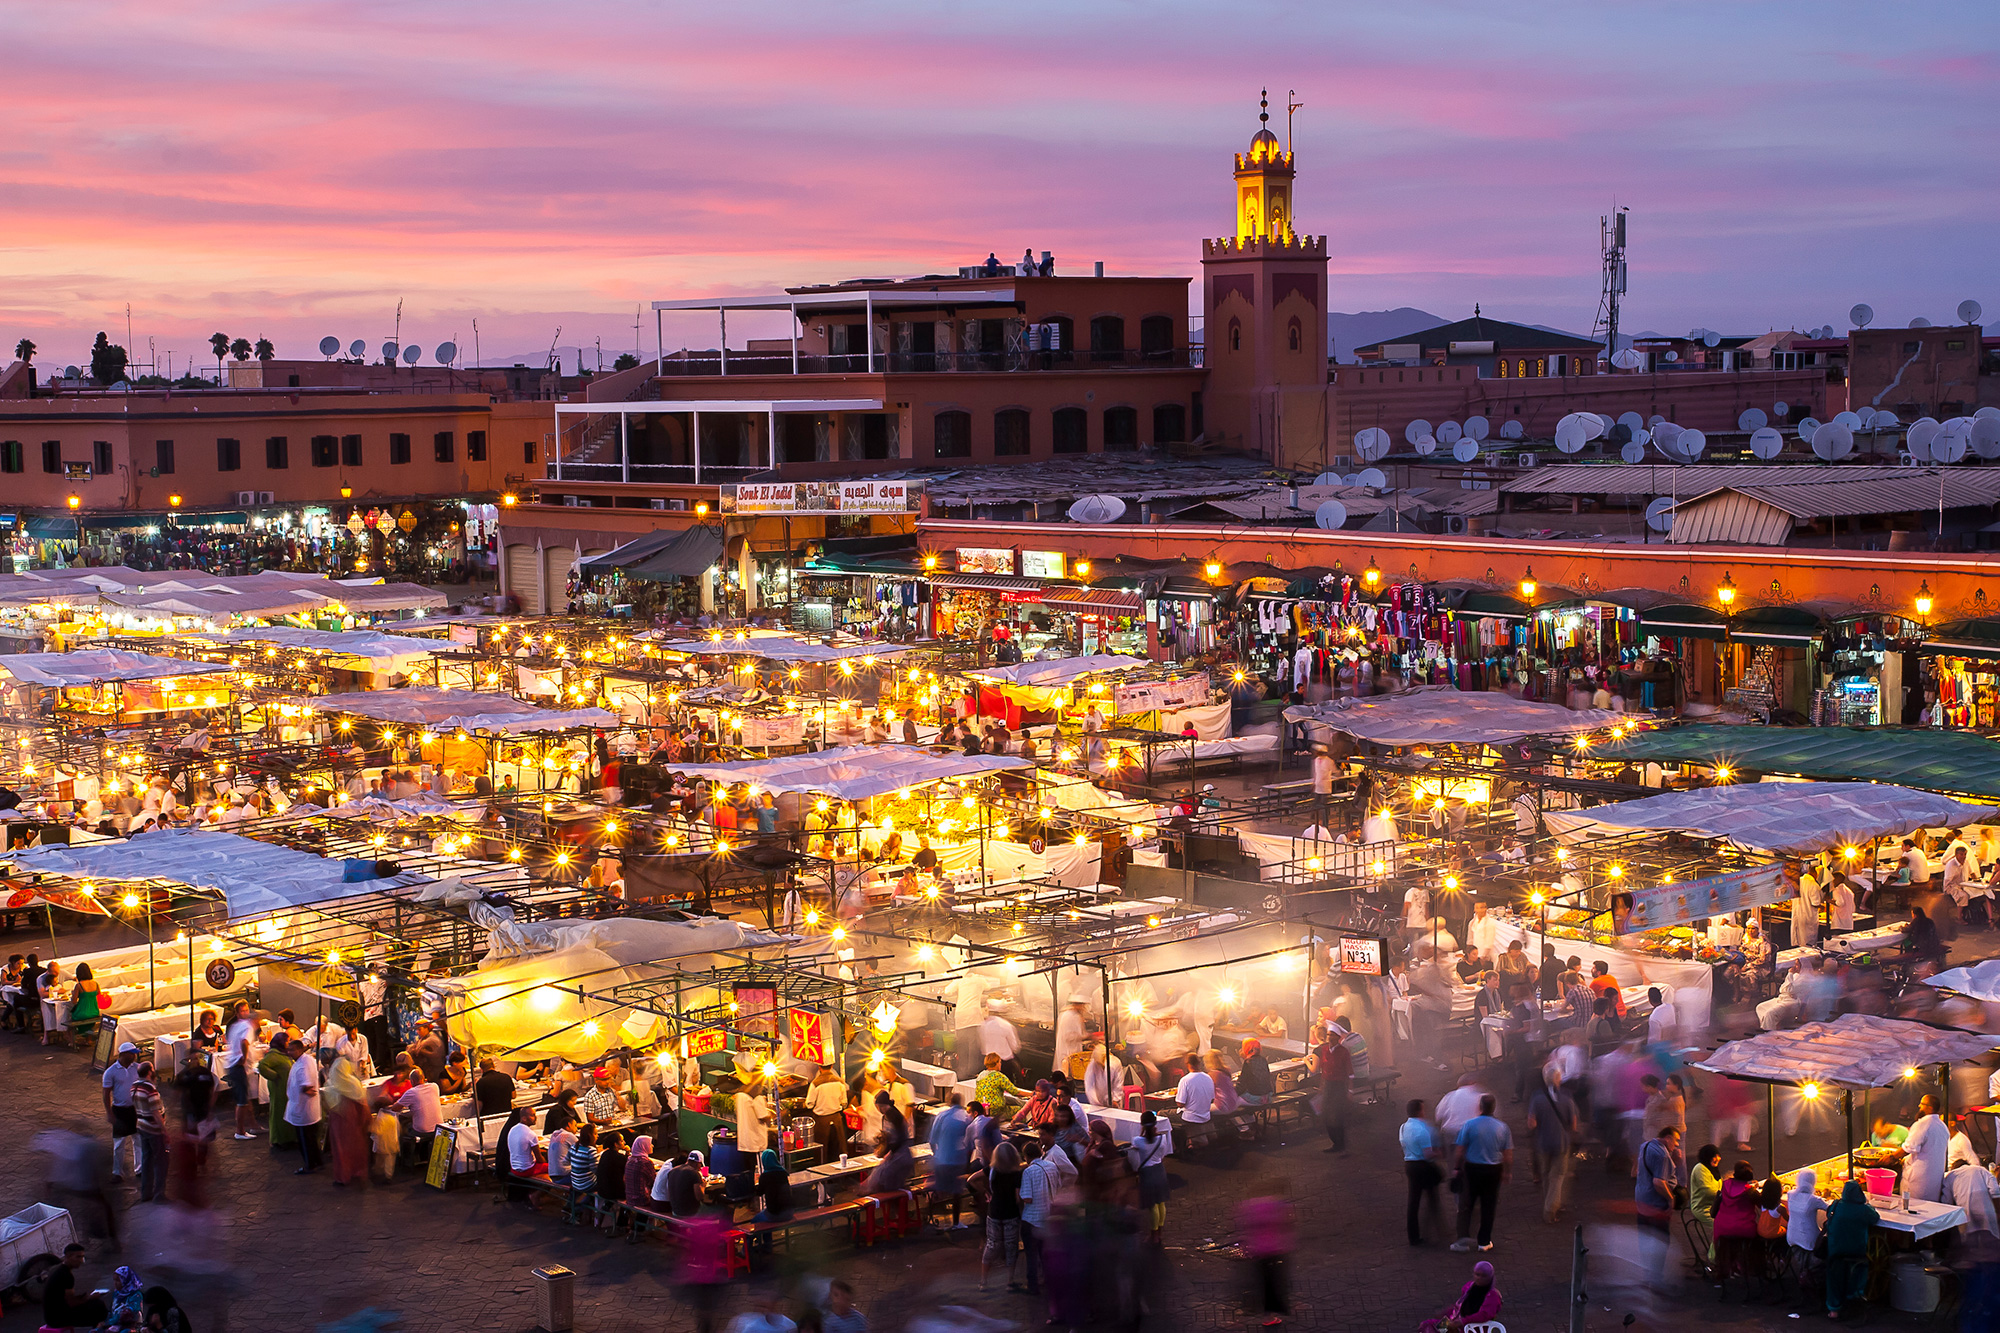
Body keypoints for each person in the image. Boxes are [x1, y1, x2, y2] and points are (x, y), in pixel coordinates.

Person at [1450, 1094, 1512, 1252]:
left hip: (1472, 1169)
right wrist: (1507, 1172)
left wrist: (1457, 1168)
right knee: (1488, 1206)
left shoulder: (1469, 1125)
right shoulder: (1502, 1127)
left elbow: (1460, 1150)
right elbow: (1508, 1154)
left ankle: (1462, 1241)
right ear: (1494, 1108)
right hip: (1493, 1170)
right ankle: (1484, 1242)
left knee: (1466, 1206)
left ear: (1480, 1107)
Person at [1635, 1125, 1683, 1288]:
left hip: (1641, 1201)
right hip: (1656, 1204)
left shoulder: (1645, 1145)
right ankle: (1655, 1278)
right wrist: (1670, 1199)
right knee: (1660, 1241)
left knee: (1645, 1239)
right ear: (1667, 1138)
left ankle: (1647, 1274)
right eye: (1676, 1140)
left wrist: (1674, 1161)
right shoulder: (1662, 1155)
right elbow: (1658, 1182)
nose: (1677, 1144)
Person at [1526, 1072, 1577, 1224]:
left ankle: (1553, 1202)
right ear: (1557, 1080)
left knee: (1546, 1174)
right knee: (1558, 1176)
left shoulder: (1537, 1098)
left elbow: (1531, 1124)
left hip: (1543, 1142)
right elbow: (1573, 1125)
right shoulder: (1566, 1098)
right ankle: (1550, 1210)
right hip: (1561, 1142)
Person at [1824, 1179, 1878, 1320]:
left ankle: (1834, 1310)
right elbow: (1875, 1218)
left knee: (1834, 1279)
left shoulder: (1835, 1205)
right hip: (1856, 1250)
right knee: (1858, 1273)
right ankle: (1854, 1300)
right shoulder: (1863, 1210)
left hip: (1835, 1250)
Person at [980, 1139, 1025, 1292]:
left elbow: (970, 1179)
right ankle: (1009, 1281)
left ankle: (984, 1281)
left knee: (992, 1245)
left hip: (994, 1212)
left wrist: (986, 1192)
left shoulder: (991, 1170)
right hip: (1011, 1213)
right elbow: (1018, 1198)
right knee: (1011, 1247)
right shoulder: (1017, 1174)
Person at [1712, 1160, 1761, 1289]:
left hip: (1721, 1227)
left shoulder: (1725, 1185)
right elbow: (1763, 1205)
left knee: (1727, 1243)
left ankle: (1727, 1269)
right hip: (1743, 1228)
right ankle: (1753, 1268)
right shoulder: (1750, 1192)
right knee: (1759, 1239)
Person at [1401, 1099, 1445, 1245]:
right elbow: (1428, 1154)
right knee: (1433, 1197)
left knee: (1413, 1201)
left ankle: (1413, 1236)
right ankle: (1439, 1230)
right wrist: (1438, 1153)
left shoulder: (1403, 1127)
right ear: (1420, 1111)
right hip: (1423, 1167)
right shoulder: (1423, 1130)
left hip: (1409, 1165)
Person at [927, 1094, 970, 1228]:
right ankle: (956, 1222)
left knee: (939, 1188)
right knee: (957, 1191)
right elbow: (969, 1141)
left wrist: (937, 1155)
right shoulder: (966, 1117)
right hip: (958, 1160)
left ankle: (928, 1217)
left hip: (941, 1159)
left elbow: (932, 1140)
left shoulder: (941, 1116)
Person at [44, 1243, 109, 1329]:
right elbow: (72, 1303)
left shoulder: (58, 1269)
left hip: (52, 1314)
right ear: (68, 1257)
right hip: (57, 1318)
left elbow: (66, 1298)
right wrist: (89, 1298)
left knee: (97, 1305)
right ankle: (98, 1329)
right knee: (99, 1309)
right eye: (78, 1257)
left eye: (82, 1257)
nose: (81, 1261)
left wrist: (84, 1298)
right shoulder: (66, 1275)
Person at [102, 1040, 142, 1179]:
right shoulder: (110, 1072)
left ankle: (140, 1169)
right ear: (125, 1054)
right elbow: (106, 1093)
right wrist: (109, 1113)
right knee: (119, 1143)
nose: (135, 1056)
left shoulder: (137, 1068)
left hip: (135, 1109)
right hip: (119, 1109)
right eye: (133, 1054)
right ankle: (117, 1172)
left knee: (138, 1140)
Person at [1308, 1023, 1351, 1152]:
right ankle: (1336, 1141)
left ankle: (1340, 1143)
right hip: (1328, 1085)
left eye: (1332, 1035)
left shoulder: (1343, 1052)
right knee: (1325, 1114)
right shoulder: (1324, 1050)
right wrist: (1322, 1085)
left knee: (1337, 1115)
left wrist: (1350, 1090)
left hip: (1339, 1085)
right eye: (1328, 1035)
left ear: (1338, 1037)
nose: (1330, 1038)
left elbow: (1350, 1072)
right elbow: (1324, 1069)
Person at [1129, 1109, 1171, 1242]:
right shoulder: (1162, 1139)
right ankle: (1160, 1232)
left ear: (1142, 1124)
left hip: (1147, 1173)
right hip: (1160, 1170)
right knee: (1161, 1203)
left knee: (1152, 1205)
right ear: (1155, 1124)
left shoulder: (1137, 1141)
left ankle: (1153, 1235)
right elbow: (1163, 1154)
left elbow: (1134, 1156)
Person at [132, 1060, 170, 1203]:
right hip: (154, 1130)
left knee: (146, 1160)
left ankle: (145, 1193)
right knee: (161, 1162)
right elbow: (156, 1113)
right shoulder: (150, 1091)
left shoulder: (134, 1087)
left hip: (141, 1127)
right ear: (149, 1072)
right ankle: (159, 1194)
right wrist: (164, 1132)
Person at [285, 1037, 324, 1174]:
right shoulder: (308, 1060)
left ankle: (310, 1165)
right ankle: (318, 1162)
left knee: (305, 1139)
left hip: (303, 1109)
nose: (290, 1052)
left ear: (300, 1050)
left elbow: (306, 1084)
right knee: (311, 1138)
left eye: (292, 1050)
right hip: (307, 1108)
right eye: (288, 1050)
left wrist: (306, 1089)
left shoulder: (303, 1064)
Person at [1903, 1093, 1950, 1202]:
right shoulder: (1942, 1126)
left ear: (1930, 1108)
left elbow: (1909, 1148)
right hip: (1935, 1178)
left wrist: (1891, 1156)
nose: (1919, 1106)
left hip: (1919, 1179)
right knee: (1930, 1209)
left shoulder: (1923, 1124)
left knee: (1913, 1208)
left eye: (1922, 1104)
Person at [1785, 1166, 1828, 1281]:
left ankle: (1804, 1272)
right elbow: (1830, 1208)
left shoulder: (1790, 1194)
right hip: (1810, 1239)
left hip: (1791, 1237)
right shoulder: (1814, 1200)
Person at [258, 1038, 297, 1148]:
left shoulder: (284, 1054)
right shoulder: (273, 1054)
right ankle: (279, 1139)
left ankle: (289, 1138)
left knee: (286, 1110)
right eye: (286, 1040)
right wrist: (274, 1076)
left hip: (286, 1087)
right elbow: (262, 1066)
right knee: (279, 1111)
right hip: (278, 1087)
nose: (288, 1042)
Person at [1176, 1051, 1215, 1126]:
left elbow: (1180, 1104)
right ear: (1199, 1063)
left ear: (1187, 1064)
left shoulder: (1185, 1080)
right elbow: (1212, 1099)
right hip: (1206, 1115)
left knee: (1162, 1113)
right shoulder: (1208, 1077)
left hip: (1190, 1117)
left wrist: (1178, 1093)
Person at [1237, 1038, 1274, 1106]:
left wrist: (1233, 1092)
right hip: (1268, 1096)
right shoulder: (1263, 1060)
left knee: (1235, 1101)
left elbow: (1242, 1083)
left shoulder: (1248, 1062)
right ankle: (1250, 1116)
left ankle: (1250, 1116)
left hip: (1257, 1098)